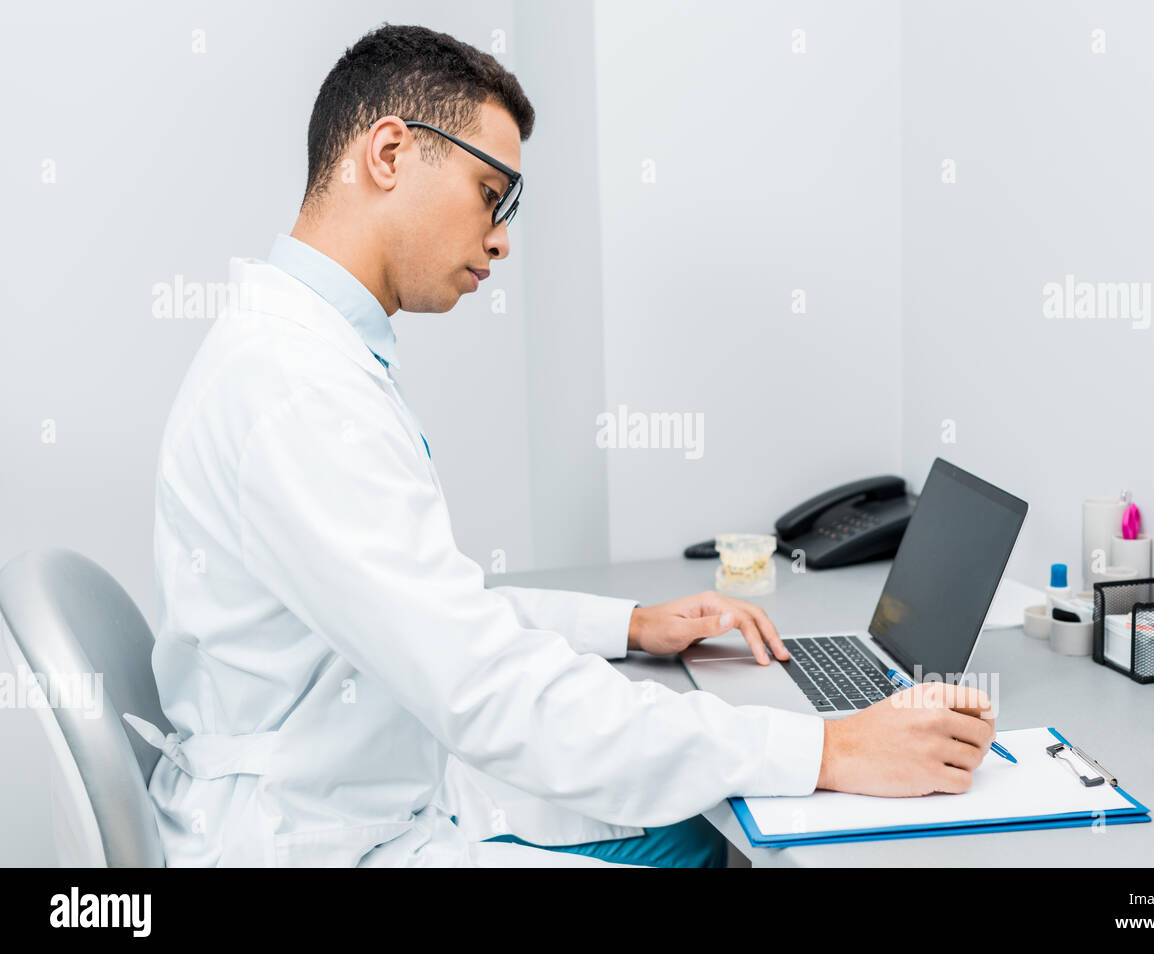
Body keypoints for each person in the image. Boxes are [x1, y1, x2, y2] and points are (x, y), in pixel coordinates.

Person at [127, 24, 997, 868]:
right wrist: (829, 748)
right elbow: (487, 689)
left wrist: (629, 624)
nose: (502, 237)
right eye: (490, 193)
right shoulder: (297, 391)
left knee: (698, 838)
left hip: (367, 802)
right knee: (730, 835)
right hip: (317, 839)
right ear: (388, 154)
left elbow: (438, 612)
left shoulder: (307, 354)